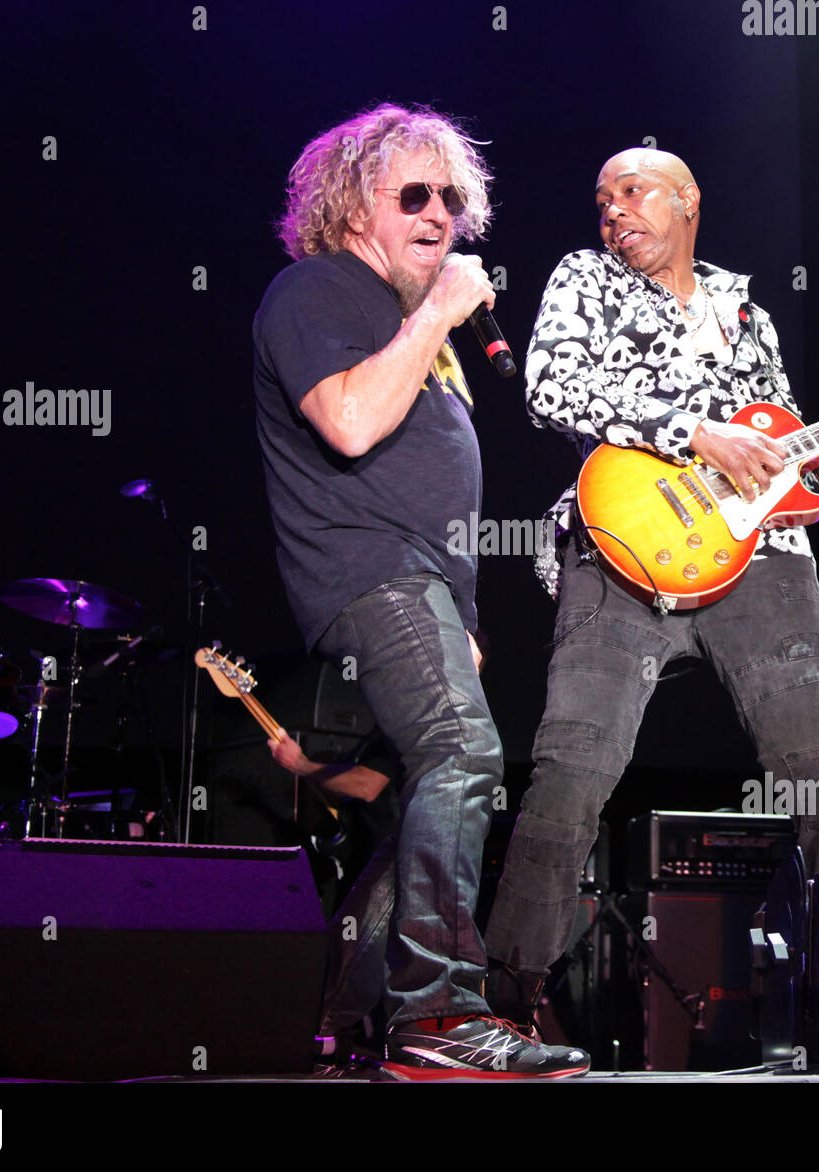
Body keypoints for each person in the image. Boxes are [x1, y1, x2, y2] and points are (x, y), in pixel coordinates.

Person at [484, 148, 819, 1027]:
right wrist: (696, 433)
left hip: (762, 558)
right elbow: (551, 387)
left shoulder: (751, 315)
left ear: (688, 201)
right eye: (601, 201)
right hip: (623, 545)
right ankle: (501, 1008)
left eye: (632, 193)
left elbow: (779, 461)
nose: (613, 213)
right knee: (571, 769)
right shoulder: (586, 278)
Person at [252, 103, 588, 1080]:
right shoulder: (312, 290)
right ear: (351, 203)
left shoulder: (410, 321)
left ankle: (346, 1021)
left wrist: (466, 615)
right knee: (463, 751)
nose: (439, 211)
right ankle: (437, 1017)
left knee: (422, 800)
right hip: (366, 572)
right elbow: (351, 424)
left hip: (421, 585)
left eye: (451, 195)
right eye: (413, 193)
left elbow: (428, 474)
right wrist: (439, 312)